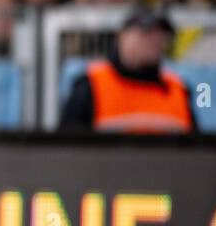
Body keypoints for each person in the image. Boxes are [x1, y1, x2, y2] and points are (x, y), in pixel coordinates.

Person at [59, 8, 197, 133]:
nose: (155, 40)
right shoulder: (91, 86)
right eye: (146, 32)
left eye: (161, 34)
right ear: (121, 37)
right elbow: (69, 150)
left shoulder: (180, 90)